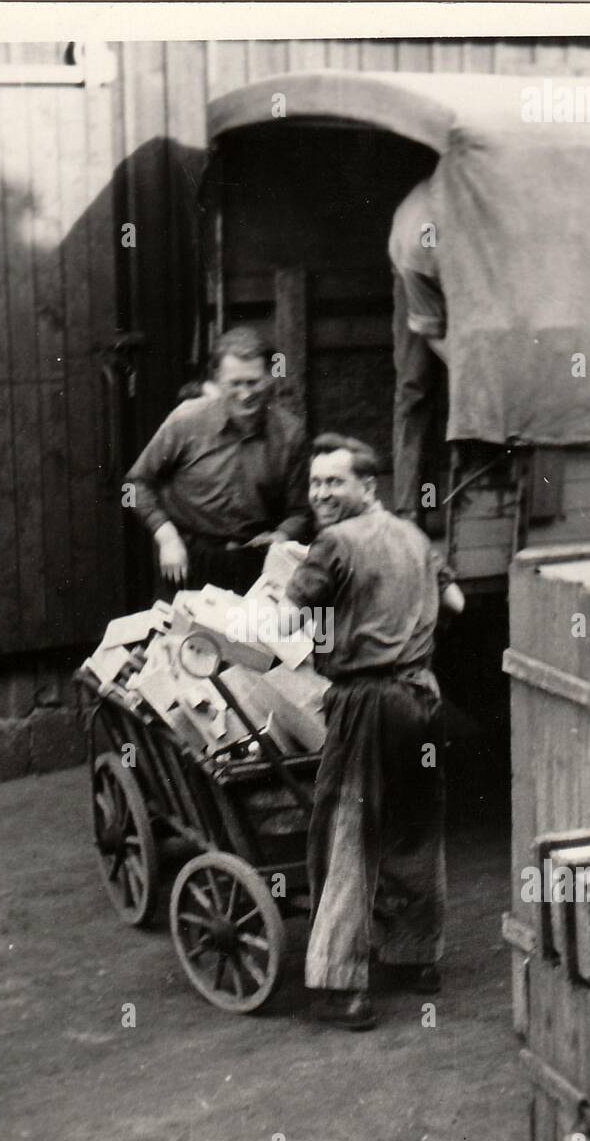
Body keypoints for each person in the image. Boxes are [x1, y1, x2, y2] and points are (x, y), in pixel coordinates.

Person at [285, 433, 465, 1031]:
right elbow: (456, 601)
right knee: (414, 828)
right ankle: (417, 959)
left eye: (334, 482)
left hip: (365, 702)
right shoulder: (415, 536)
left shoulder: (333, 543)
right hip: (421, 700)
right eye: (315, 483)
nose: (320, 494)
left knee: (347, 835)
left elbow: (292, 612)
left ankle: (345, 988)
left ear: (368, 486)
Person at [123, 326, 310, 597]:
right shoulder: (186, 420)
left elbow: (301, 511)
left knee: (253, 640)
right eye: (235, 384)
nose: (245, 394)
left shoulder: (290, 434)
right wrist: (165, 537)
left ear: (270, 378)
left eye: (253, 382)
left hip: (257, 564)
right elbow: (131, 487)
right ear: (218, 380)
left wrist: (280, 536)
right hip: (189, 562)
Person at [389, 178, 450, 525]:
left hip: (466, 278)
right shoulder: (419, 242)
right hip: (417, 278)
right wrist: (467, 367)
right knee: (416, 388)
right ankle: (409, 510)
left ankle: (452, 503)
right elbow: (430, 331)